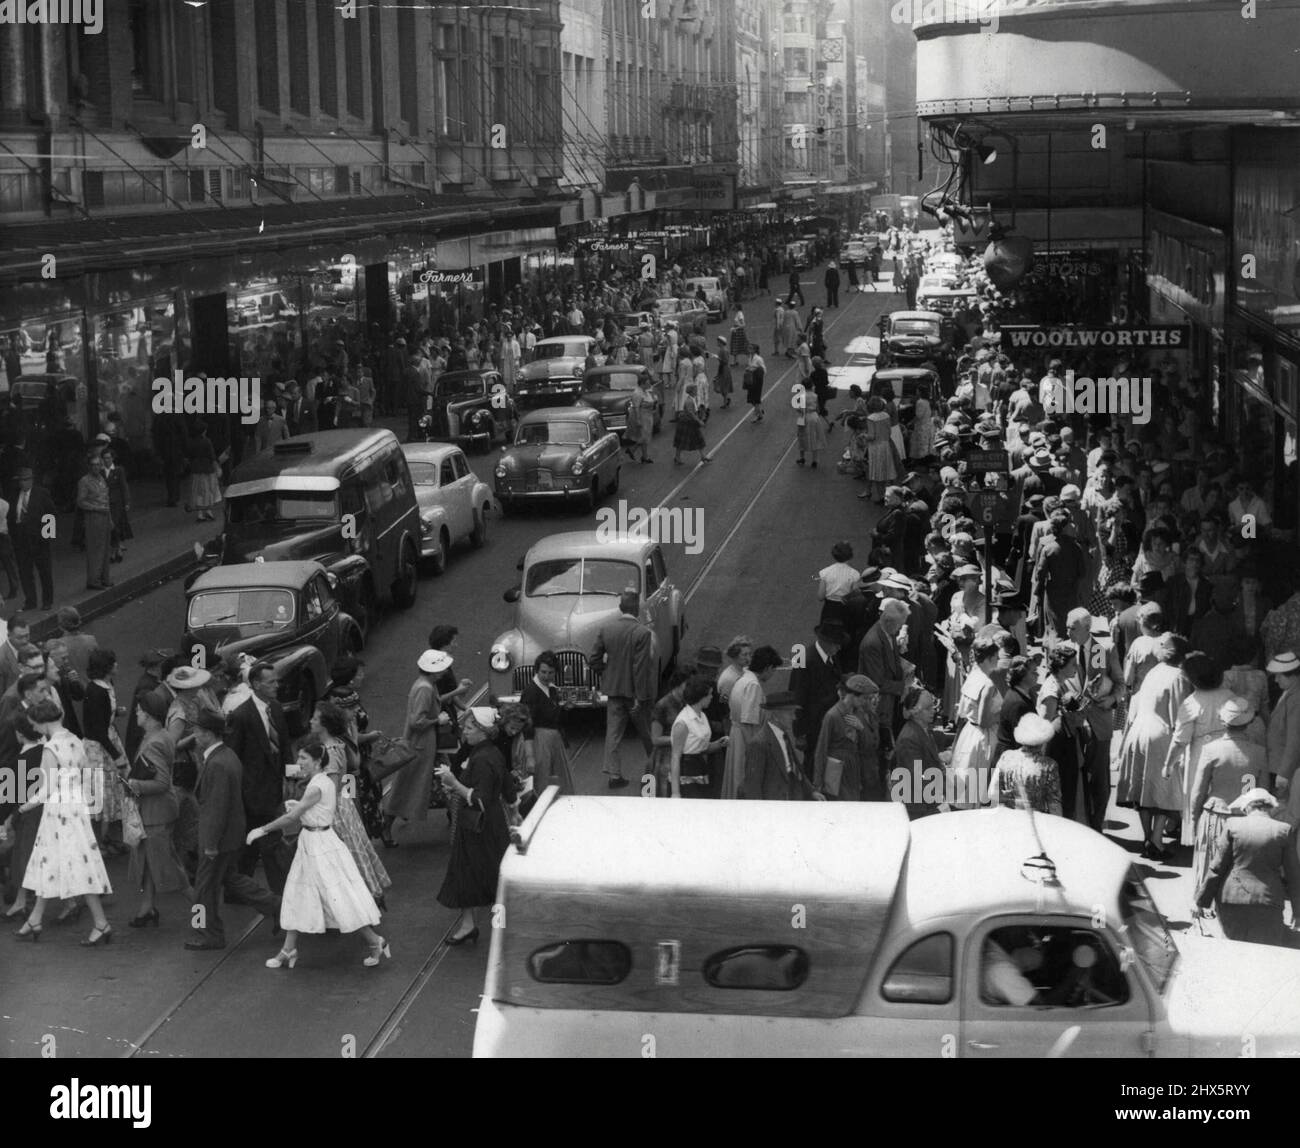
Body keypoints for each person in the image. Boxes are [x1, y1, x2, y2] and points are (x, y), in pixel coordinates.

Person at [249, 741, 388, 970]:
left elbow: (291, 818)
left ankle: (374, 941)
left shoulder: (316, 786)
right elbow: (313, 809)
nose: (299, 762)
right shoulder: (321, 781)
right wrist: (301, 807)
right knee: (298, 892)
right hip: (314, 842)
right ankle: (288, 948)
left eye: (303, 758)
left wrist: (262, 830)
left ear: (316, 761)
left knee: (339, 897)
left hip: (319, 846)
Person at [12, 697, 114, 946]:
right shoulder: (75, 741)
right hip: (76, 809)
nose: (34, 729)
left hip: (57, 812)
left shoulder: (51, 748)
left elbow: (46, 790)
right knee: (55, 863)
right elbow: (86, 775)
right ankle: (35, 919)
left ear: (43, 723)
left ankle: (101, 923)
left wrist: (22, 807)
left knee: (68, 864)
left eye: (35, 724)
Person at [186, 708, 282, 951]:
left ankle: (207, 934)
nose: (195, 735)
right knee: (233, 880)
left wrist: (209, 845)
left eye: (197, 730)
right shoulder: (227, 755)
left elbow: (216, 807)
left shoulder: (217, 763)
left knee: (203, 890)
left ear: (208, 733)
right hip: (230, 837)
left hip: (216, 840)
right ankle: (278, 907)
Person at [434, 707, 513, 945]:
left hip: (480, 828)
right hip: (481, 827)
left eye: (469, 728)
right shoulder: (490, 753)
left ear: (483, 731)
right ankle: (470, 925)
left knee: (487, 875)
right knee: (467, 873)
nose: (464, 732)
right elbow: (506, 783)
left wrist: (453, 783)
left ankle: (499, 927)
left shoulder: (482, 759)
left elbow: (481, 799)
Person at [1116, 633, 1191, 861]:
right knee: (1161, 790)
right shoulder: (1179, 676)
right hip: (1159, 734)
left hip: (1138, 731)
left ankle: (1148, 838)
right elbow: (1178, 714)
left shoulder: (1154, 671)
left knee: (1143, 790)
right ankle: (1157, 840)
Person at [1195, 788, 1300, 947]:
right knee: (1263, 956)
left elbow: (1217, 867)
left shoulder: (1233, 825)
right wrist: (1297, 911)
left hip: (1232, 899)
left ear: (1247, 808)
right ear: (1270, 808)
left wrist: (1201, 901)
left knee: (1233, 952)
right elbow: (1294, 876)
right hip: (1268, 902)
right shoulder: (1284, 830)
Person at [310, 702, 390, 906]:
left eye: (315, 718)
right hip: (345, 803)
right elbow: (349, 772)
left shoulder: (329, 750)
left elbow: (333, 786)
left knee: (340, 854)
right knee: (353, 846)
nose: (311, 721)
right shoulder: (339, 742)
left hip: (335, 809)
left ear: (325, 725)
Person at [1187, 697, 1267, 899]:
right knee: (1239, 866)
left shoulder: (1211, 750)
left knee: (1210, 861)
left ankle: (1204, 903)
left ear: (1223, 722)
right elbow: (1263, 793)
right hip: (1246, 820)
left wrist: (1194, 820)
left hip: (1216, 816)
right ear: (1249, 723)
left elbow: (1198, 791)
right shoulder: (1259, 753)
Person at [123, 689, 190, 927]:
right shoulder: (160, 736)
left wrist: (133, 784)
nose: (136, 714)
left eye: (140, 710)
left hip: (155, 812)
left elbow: (160, 783)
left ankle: (202, 910)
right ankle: (147, 908)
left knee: (169, 866)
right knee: (151, 862)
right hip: (159, 810)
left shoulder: (153, 743)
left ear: (150, 715)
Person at [225, 661, 293, 894]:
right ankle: (280, 895)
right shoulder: (242, 716)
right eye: (271, 682)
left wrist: (291, 777)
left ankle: (236, 888)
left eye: (277, 681)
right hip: (253, 792)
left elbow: (284, 746)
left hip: (274, 787)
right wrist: (240, 792)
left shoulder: (275, 708)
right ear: (255, 684)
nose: (277, 685)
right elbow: (233, 756)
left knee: (252, 843)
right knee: (270, 843)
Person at [382, 648, 452, 838]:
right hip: (420, 745)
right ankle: (387, 824)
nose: (445, 672)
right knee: (406, 786)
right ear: (434, 671)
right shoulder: (425, 688)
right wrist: (438, 720)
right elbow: (417, 722)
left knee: (434, 781)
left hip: (426, 744)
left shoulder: (426, 685)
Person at [591, 590, 656, 789]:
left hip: (613, 691)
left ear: (620, 608)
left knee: (613, 734)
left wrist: (607, 672)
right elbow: (640, 667)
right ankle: (655, 766)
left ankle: (614, 775)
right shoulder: (642, 633)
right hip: (634, 694)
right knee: (647, 732)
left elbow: (594, 659)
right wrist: (639, 696)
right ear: (637, 608)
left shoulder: (606, 629)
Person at [719, 644, 783, 798]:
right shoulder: (753, 685)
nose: (773, 674)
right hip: (744, 739)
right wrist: (753, 753)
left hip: (736, 734)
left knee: (735, 778)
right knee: (742, 778)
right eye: (773, 670)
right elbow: (748, 722)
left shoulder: (744, 677)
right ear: (767, 668)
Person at [949, 636, 1002, 808]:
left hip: (968, 733)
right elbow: (984, 720)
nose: (999, 659)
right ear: (989, 658)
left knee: (966, 781)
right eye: (996, 657)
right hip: (982, 738)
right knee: (978, 785)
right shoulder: (987, 684)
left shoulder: (973, 674)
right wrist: (1002, 714)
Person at [1036, 644, 1086, 822]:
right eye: (1073, 664)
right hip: (1056, 749)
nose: (1076, 668)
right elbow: (1046, 722)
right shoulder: (1052, 690)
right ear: (1062, 665)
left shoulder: (1060, 683)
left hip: (1064, 746)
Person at [813, 674, 883, 801]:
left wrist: (861, 728)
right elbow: (821, 750)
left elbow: (869, 746)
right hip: (836, 770)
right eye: (864, 698)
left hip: (854, 770)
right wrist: (817, 784)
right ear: (853, 695)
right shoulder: (832, 715)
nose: (865, 702)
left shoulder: (858, 714)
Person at [518, 650, 576, 797]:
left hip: (553, 739)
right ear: (537, 670)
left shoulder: (551, 689)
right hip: (539, 740)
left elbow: (552, 715)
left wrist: (564, 708)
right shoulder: (531, 692)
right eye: (543, 672)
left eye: (550, 672)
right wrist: (530, 756)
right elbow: (527, 726)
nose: (546, 676)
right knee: (542, 781)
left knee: (556, 779)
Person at [991, 713, 1064, 816]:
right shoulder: (1048, 766)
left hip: (1008, 818)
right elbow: (1054, 805)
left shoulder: (1006, 757)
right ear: (1042, 741)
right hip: (1035, 820)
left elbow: (992, 793)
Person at [668, 677, 729, 798]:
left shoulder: (702, 716)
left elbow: (701, 747)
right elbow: (675, 757)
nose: (712, 697)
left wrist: (719, 744)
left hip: (700, 767)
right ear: (701, 697)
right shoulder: (683, 723)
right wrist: (675, 793)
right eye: (710, 695)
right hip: (686, 773)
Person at [891, 685, 946, 817]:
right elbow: (916, 777)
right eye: (927, 708)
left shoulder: (923, 729)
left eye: (933, 706)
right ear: (915, 711)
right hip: (918, 806)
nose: (933, 711)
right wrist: (941, 801)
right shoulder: (909, 738)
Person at [858, 598, 910, 736]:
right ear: (888, 622)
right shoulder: (872, 643)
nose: (900, 629)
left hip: (888, 702)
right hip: (877, 705)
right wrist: (903, 688)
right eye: (899, 625)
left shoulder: (889, 632)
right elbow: (877, 682)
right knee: (879, 742)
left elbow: (892, 660)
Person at [76, 449, 113, 591]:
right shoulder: (84, 481)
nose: (96, 467)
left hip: (104, 516)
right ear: (89, 466)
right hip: (94, 518)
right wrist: (95, 508)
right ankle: (94, 580)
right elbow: (81, 502)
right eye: (93, 465)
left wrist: (110, 519)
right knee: (95, 550)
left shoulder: (102, 479)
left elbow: (106, 499)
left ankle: (104, 578)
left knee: (105, 549)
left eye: (98, 464)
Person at [1266, 651, 1300, 801]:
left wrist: (1284, 772)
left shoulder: (1297, 699)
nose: (1276, 680)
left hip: (1287, 769)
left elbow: (1295, 738)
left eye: (1280, 675)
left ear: (1292, 675)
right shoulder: (1290, 692)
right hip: (1280, 765)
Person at [186, 420, 221, 523]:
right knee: (209, 491)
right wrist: (217, 467)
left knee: (198, 492)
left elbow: (189, 456)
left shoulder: (191, 442)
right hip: (207, 470)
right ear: (203, 431)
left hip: (196, 470)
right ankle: (208, 511)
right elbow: (212, 456)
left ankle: (200, 514)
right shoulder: (207, 441)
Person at [672, 383, 711, 466]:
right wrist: (699, 421)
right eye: (695, 390)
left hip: (689, 422)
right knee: (684, 441)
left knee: (698, 439)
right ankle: (677, 457)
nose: (696, 391)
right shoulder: (689, 401)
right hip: (687, 423)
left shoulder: (692, 399)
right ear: (692, 391)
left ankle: (702, 456)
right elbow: (691, 414)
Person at [622, 374, 656, 464]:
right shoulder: (637, 393)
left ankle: (644, 456)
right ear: (642, 383)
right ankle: (634, 451)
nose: (649, 384)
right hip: (642, 416)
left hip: (647, 416)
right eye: (647, 383)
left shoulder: (645, 391)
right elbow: (636, 407)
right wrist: (638, 419)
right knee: (643, 437)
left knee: (645, 436)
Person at [744, 345, 766, 422]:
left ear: (754, 350)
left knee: (756, 399)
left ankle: (757, 415)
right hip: (751, 380)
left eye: (750, 348)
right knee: (751, 398)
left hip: (757, 381)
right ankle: (759, 411)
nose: (748, 349)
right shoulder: (750, 357)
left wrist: (754, 369)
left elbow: (763, 369)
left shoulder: (759, 359)